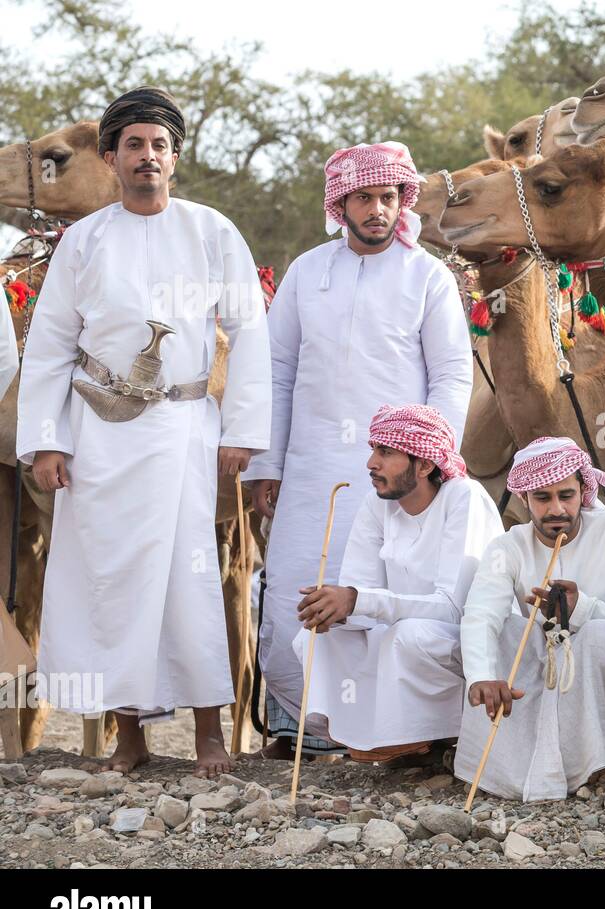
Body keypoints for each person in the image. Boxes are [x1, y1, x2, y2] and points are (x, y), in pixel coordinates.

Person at [16, 86, 270, 776]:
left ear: (175, 157)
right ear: (110, 157)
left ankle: (209, 733)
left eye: (159, 145)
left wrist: (241, 428)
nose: (147, 156)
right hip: (99, 433)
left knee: (191, 579)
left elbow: (250, 331)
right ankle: (128, 738)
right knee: (109, 580)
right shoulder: (83, 242)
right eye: (133, 144)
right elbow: (50, 343)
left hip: (185, 427)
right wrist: (46, 438)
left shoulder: (213, 231)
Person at [245, 142, 473, 758]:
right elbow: (278, 370)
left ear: (404, 202)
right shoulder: (306, 271)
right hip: (311, 467)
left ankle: (395, 733)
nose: (378, 210)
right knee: (298, 584)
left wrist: (434, 459)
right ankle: (304, 726)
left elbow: (452, 374)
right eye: (365, 198)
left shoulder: (428, 275)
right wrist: (268, 464)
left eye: (389, 198)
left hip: (402, 475)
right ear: (340, 203)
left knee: (385, 591)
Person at [454, 437, 605, 800]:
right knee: (510, 631)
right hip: (541, 686)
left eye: (565, 496)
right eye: (542, 498)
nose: (556, 509)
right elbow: (480, 615)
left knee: (599, 635)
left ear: (584, 490)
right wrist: (482, 677)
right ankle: (507, 766)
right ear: (524, 499)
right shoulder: (509, 547)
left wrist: (583, 609)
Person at [290, 404, 502, 764]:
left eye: (385, 452)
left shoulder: (465, 497)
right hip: (399, 634)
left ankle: (434, 736)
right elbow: (360, 595)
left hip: (470, 643)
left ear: (424, 464)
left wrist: (357, 600)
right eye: (373, 450)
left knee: (409, 635)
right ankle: (375, 736)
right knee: (317, 637)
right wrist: (335, 610)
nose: (371, 463)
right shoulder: (377, 505)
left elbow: (453, 608)